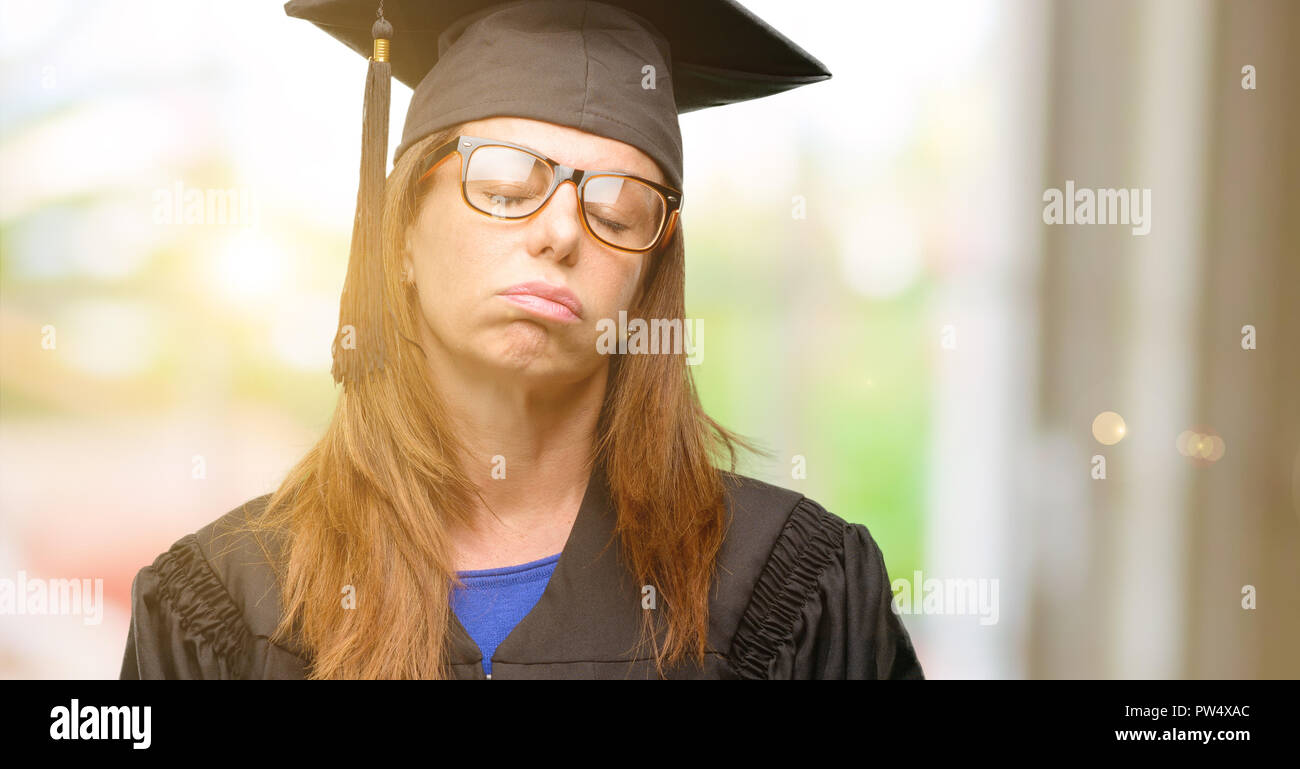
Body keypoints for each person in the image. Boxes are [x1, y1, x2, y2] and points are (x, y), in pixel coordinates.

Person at [119, 0, 925, 680]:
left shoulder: (793, 593)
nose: (560, 232)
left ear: (650, 277)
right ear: (399, 233)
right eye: (505, 184)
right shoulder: (229, 603)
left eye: (616, 208)